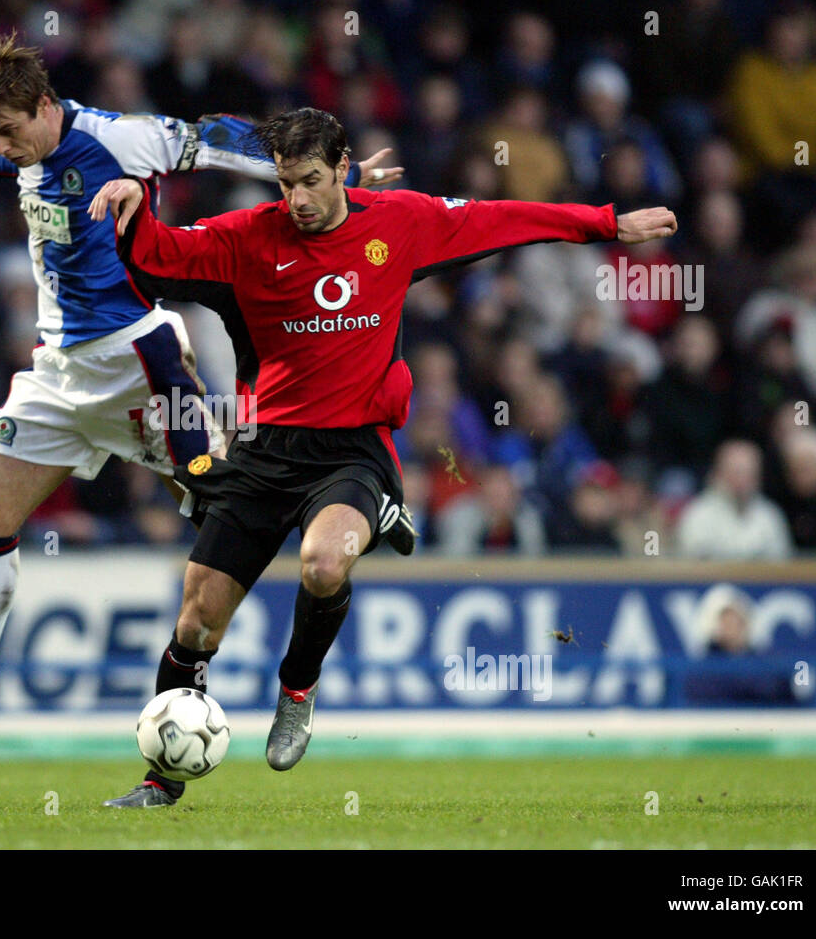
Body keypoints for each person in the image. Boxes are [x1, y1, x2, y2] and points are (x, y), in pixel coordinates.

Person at [88, 106, 677, 807]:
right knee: (195, 625)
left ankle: (296, 689)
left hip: (352, 449)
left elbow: (504, 217)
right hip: (264, 449)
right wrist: (133, 207)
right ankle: (162, 781)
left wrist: (606, 224)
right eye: (284, 184)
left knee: (324, 561)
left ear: (343, 168)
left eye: (310, 181)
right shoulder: (249, 236)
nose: (297, 200)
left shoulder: (399, 222)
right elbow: (161, 257)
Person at [0, 34, 404, 744]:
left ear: (45, 107)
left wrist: (340, 183)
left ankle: (363, 497)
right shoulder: (18, 148)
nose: (2, 147)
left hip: (133, 360)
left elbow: (213, 140)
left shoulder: (121, 139)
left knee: (228, 496)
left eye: (8, 132)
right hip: (56, 374)